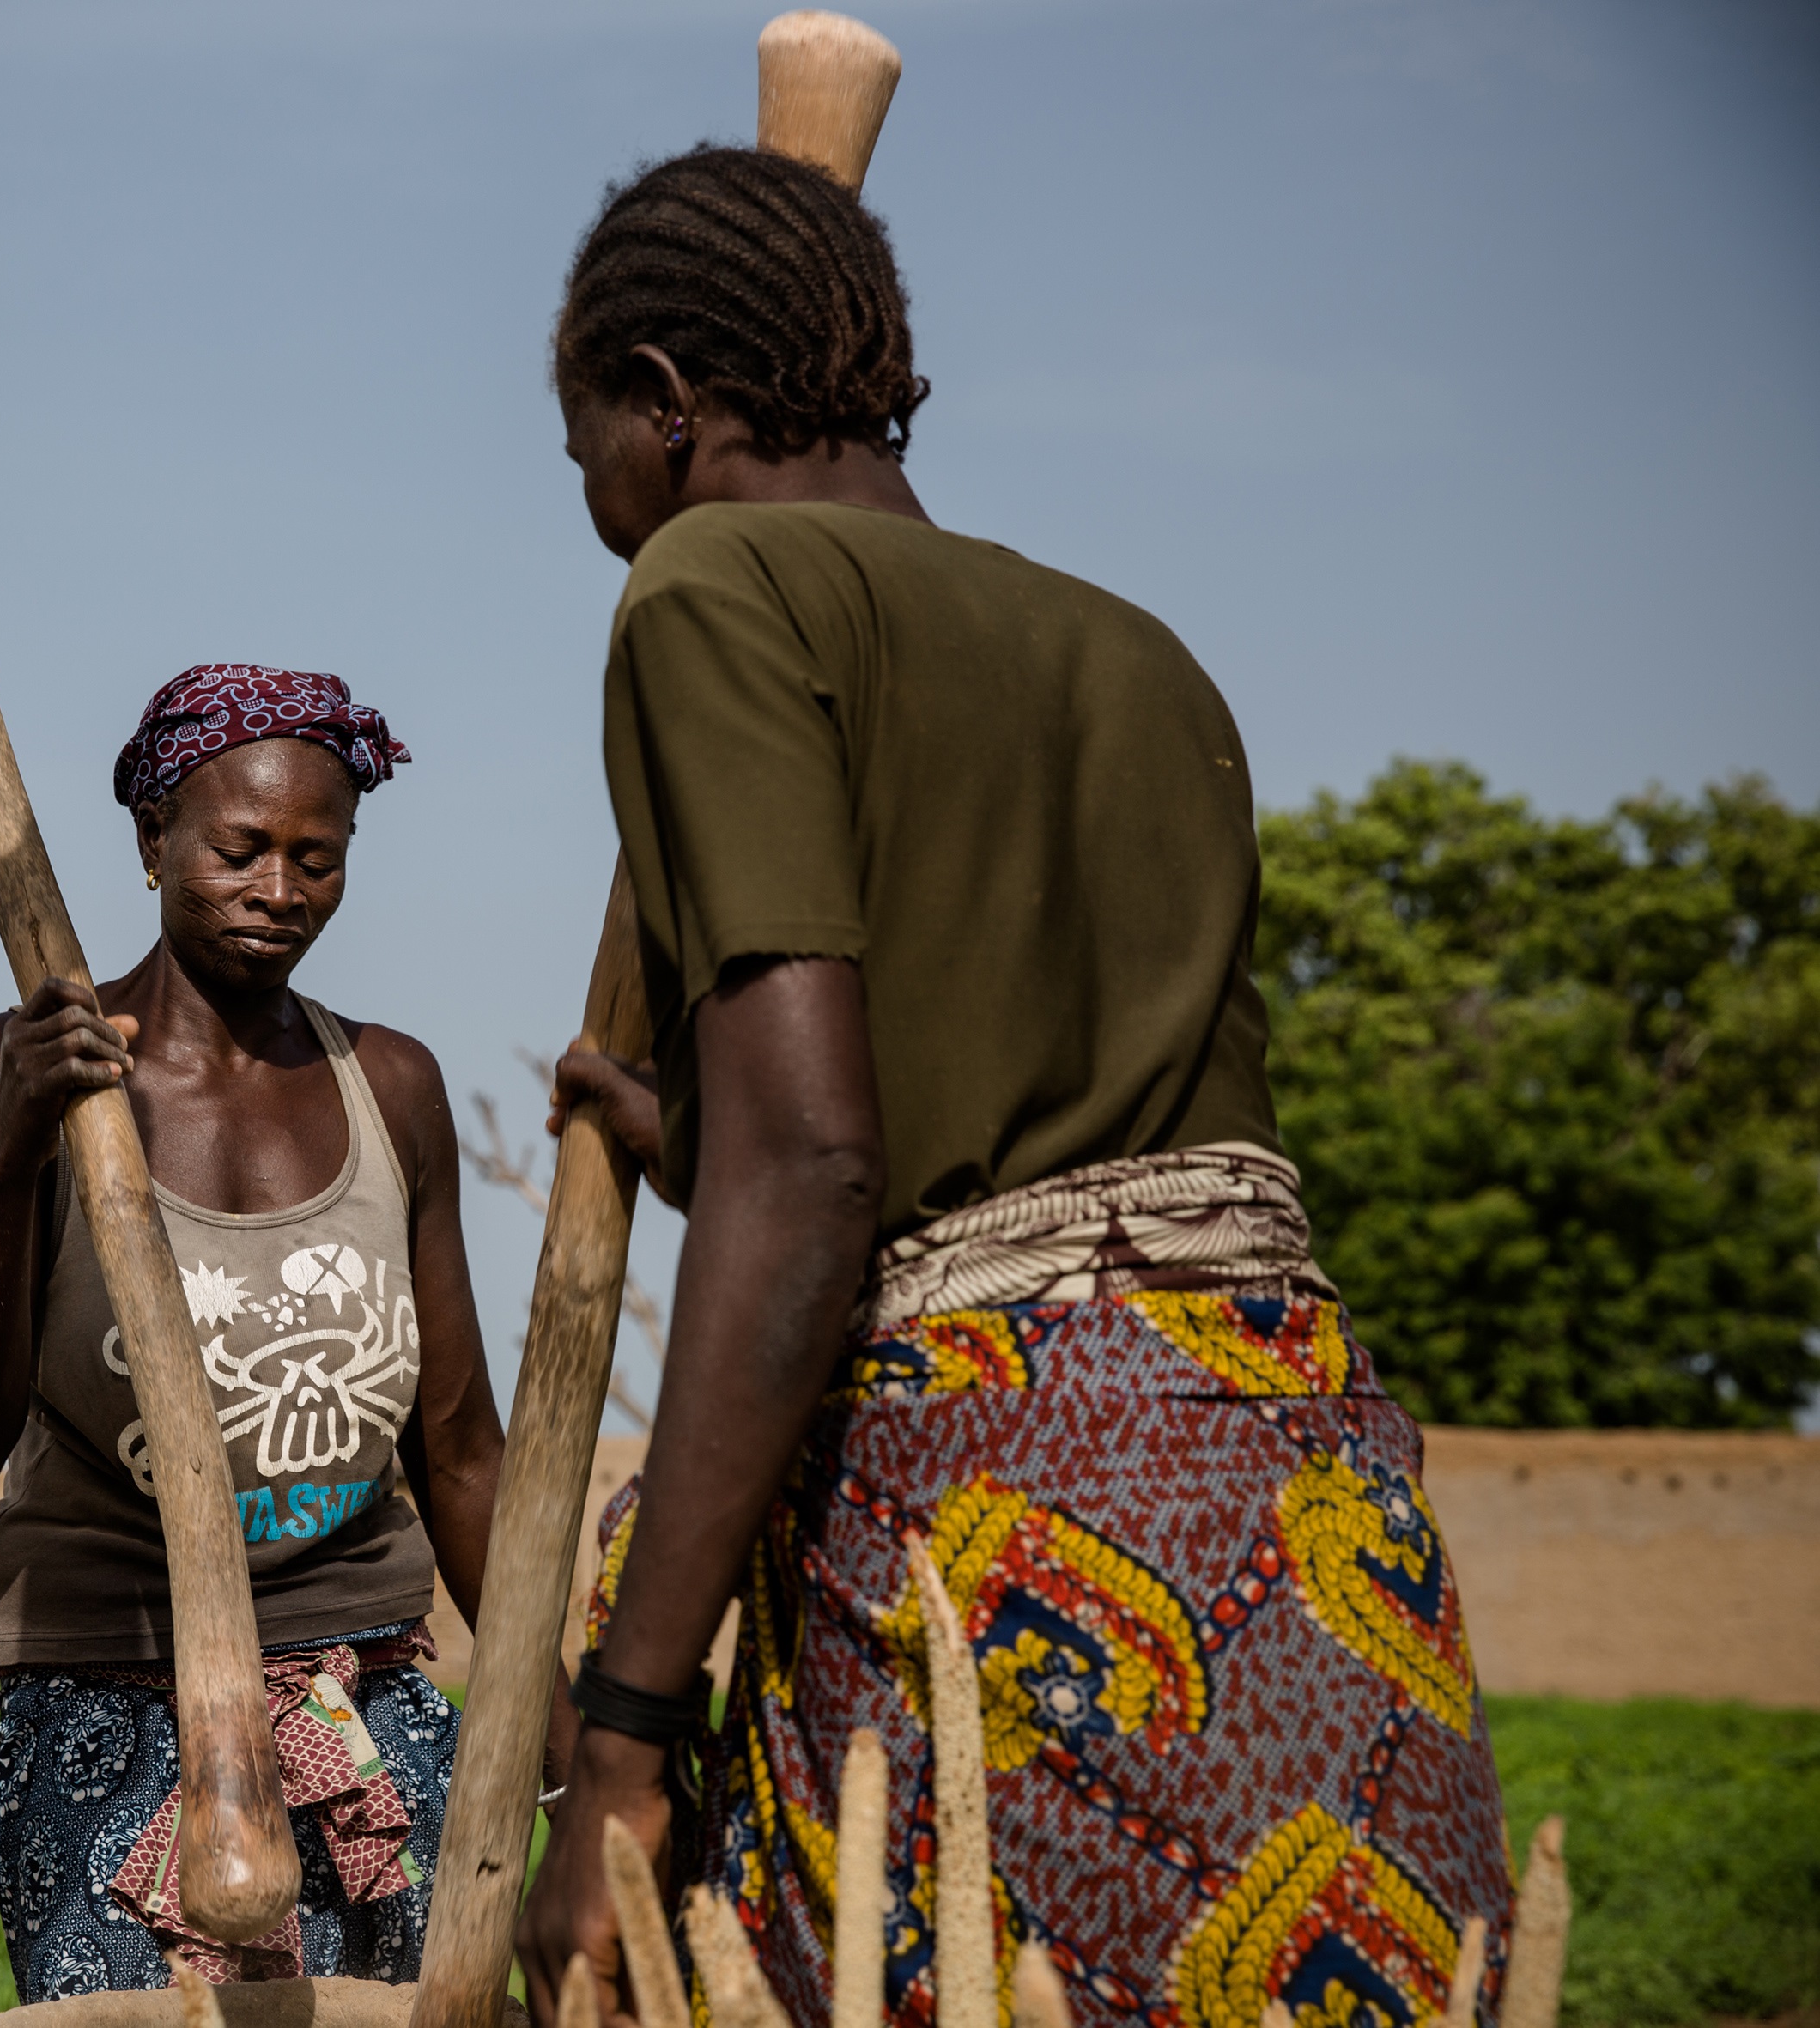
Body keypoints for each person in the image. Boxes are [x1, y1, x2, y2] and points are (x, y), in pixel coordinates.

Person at [510, 149, 1514, 2028]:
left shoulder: (709, 583)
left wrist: (629, 1730)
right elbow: (1070, 1135)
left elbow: (823, 1177)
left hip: (999, 1541)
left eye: (583, 452)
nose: (593, 504)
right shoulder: (1140, 652)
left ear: (659, 401)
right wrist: (688, 1136)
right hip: (1297, 1512)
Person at [0, 666, 555, 2001]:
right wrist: (27, 1142)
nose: (281, 890)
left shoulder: (392, 1086)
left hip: (366, 1698)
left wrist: (555, 1731)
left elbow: (460, 1448)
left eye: (318, 858)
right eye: (239, 849)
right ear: (153, 842)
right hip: (108, 1701)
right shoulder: (18, 1069)